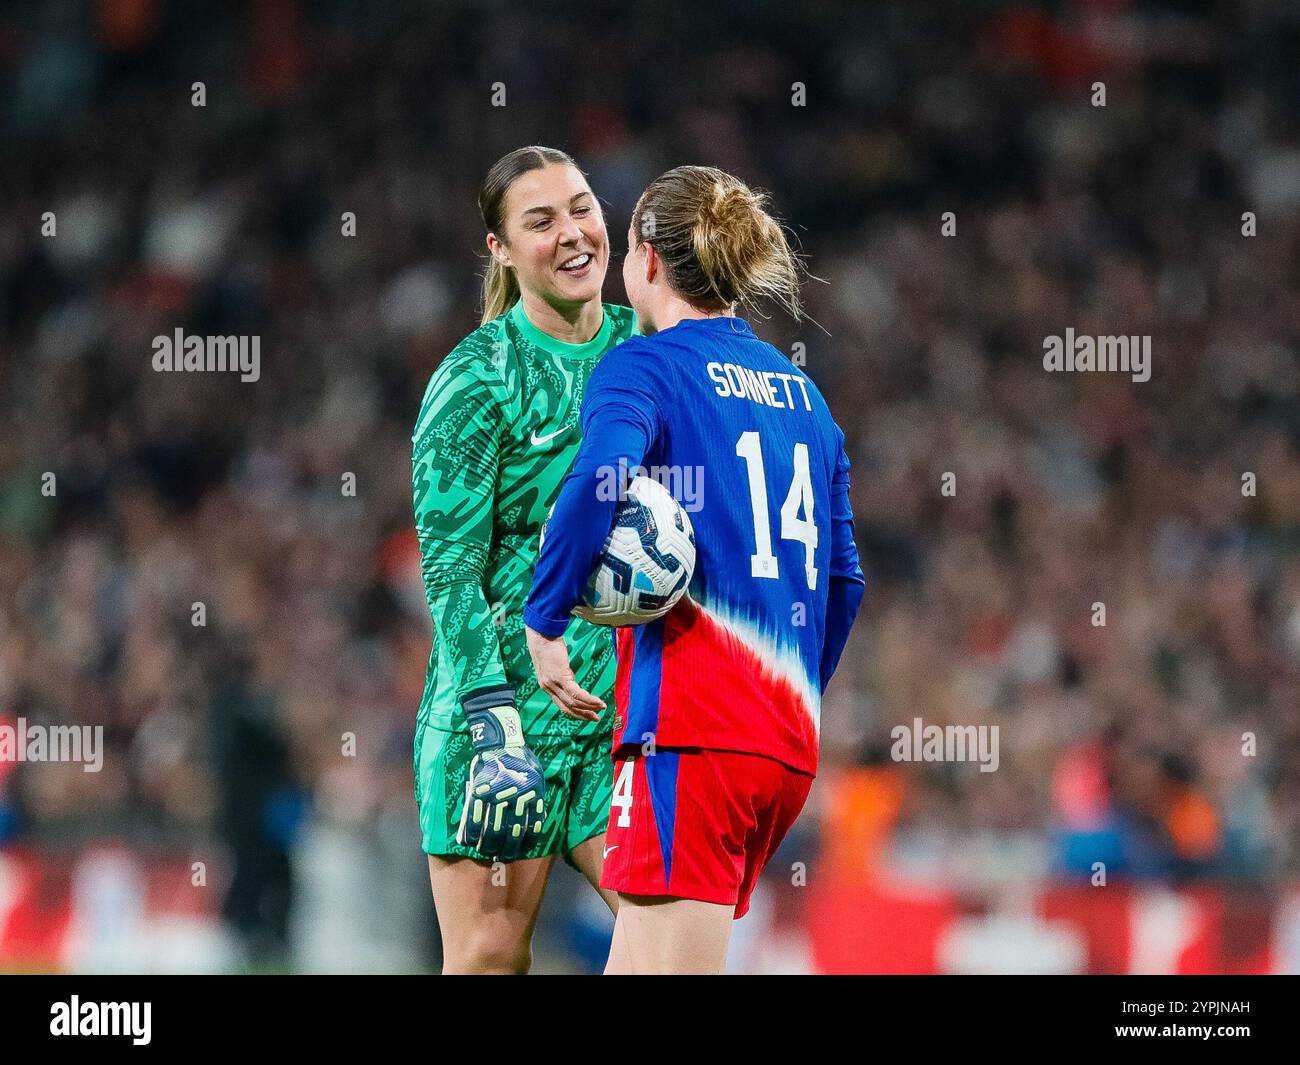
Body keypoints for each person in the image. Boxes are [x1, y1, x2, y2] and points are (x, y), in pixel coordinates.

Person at [524, 165, 865, 973]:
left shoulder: (645, 367)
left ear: (645, 258)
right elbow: (844, 583)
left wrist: (547, 617)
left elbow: (598, 481)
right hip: (782, 742)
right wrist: (787, 693)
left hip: (691, 735)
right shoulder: (806, 400)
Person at [412, 145, 635, 973]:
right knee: (490, 957)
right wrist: (492, 722)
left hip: (620, 715)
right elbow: (448, 569)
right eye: (540, 221)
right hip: (504, 717)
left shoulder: (644, 349)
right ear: (501, 249)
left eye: (582, 208)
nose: (573, 233)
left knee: (669, 942)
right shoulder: (477, 378)